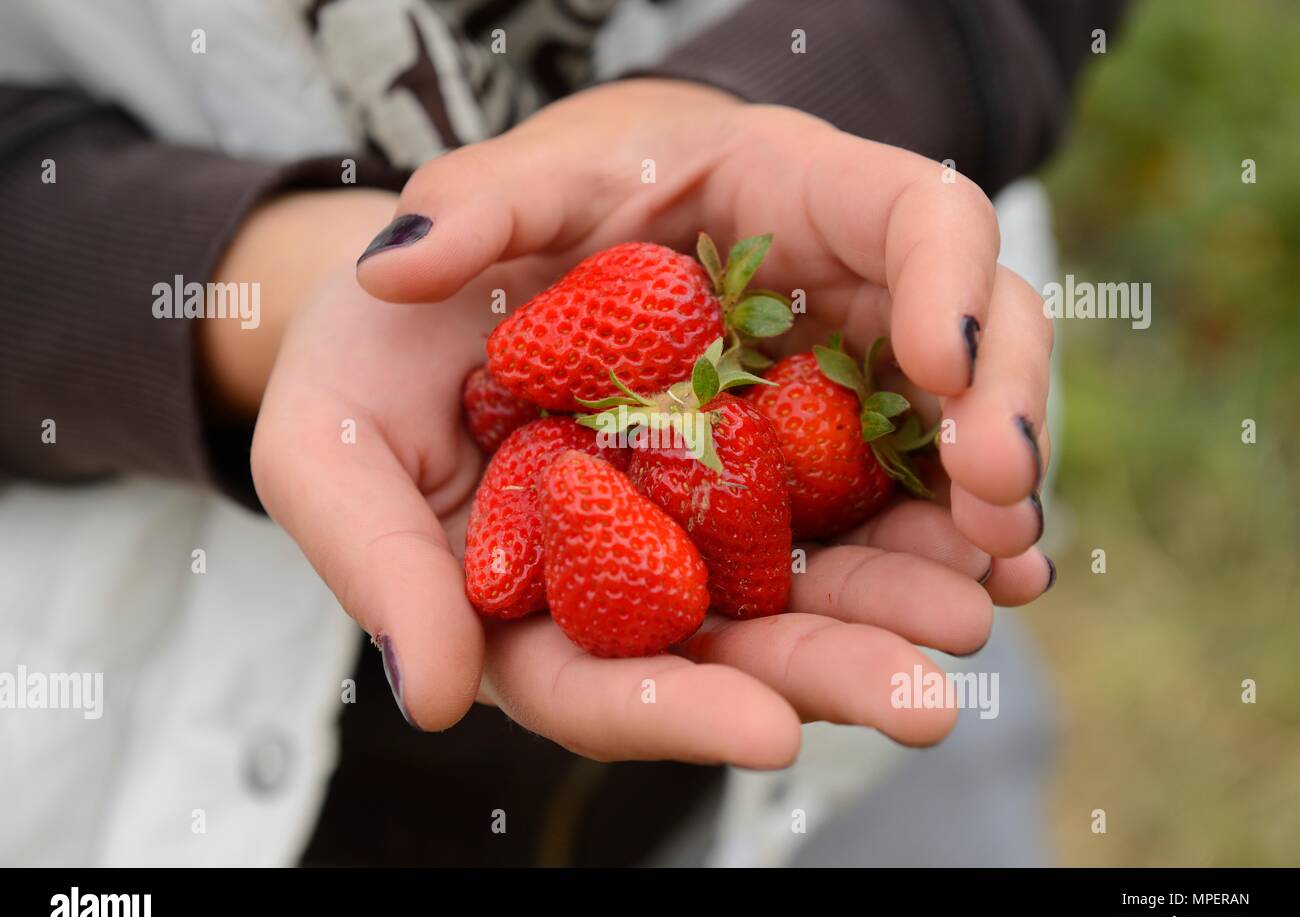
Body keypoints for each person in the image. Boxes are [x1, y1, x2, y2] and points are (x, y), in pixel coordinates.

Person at [0, 0, 1123, 866]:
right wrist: (275, 288)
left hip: (851, 772)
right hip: (122, 763)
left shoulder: (683, 405)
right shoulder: (600, 418)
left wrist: (749, 105)